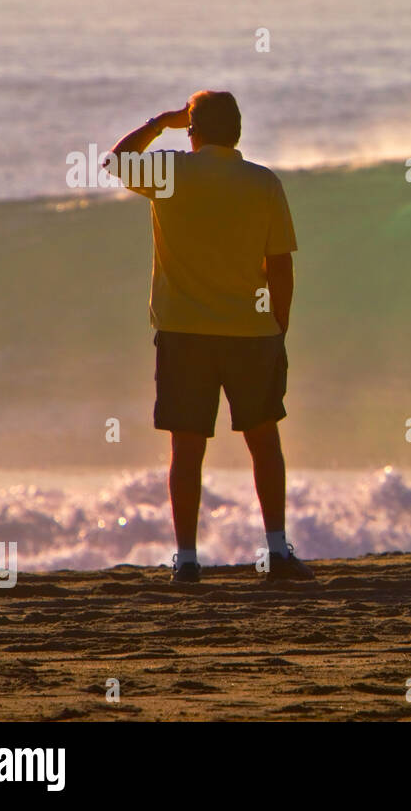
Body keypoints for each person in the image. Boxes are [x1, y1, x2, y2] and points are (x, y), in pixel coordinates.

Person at [105, 90, 314, 583]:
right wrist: (278, 324)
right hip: (251, 332)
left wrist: (160, 122)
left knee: (187, 450)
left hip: (184, 334)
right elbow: (280, 264)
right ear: (238, 132)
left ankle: (188, 560)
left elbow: (116, 161)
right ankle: (278, 551)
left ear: (192, 131)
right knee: (265, 442)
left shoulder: (171, 174)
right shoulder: (263, 182)